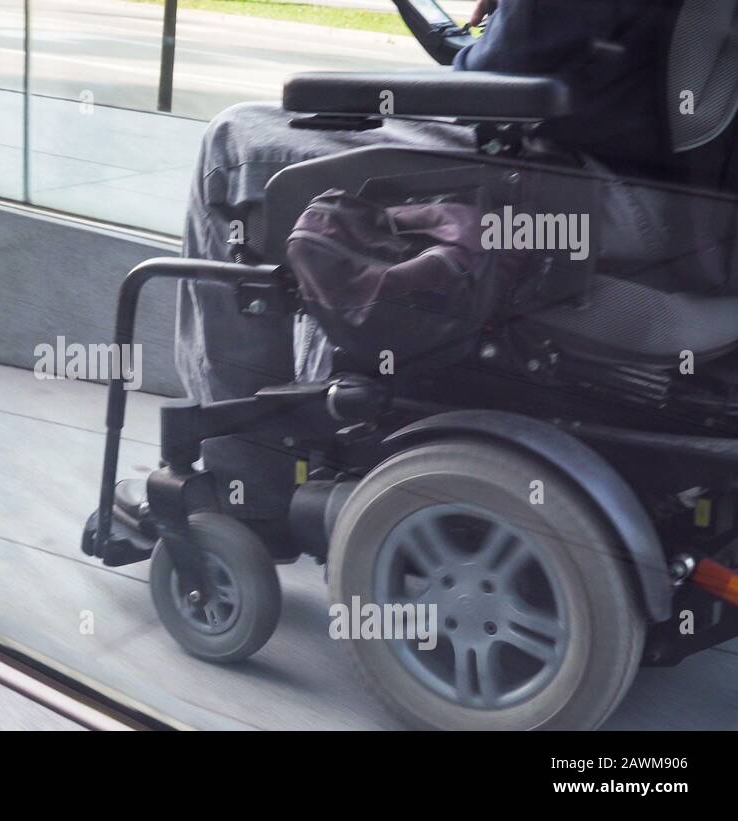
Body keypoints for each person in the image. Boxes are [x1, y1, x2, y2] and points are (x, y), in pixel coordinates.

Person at [171, 0, 680, 515]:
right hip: (682, 199)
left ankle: (248, 491)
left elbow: (503, 71)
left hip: (593, 187)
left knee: (234, 143)